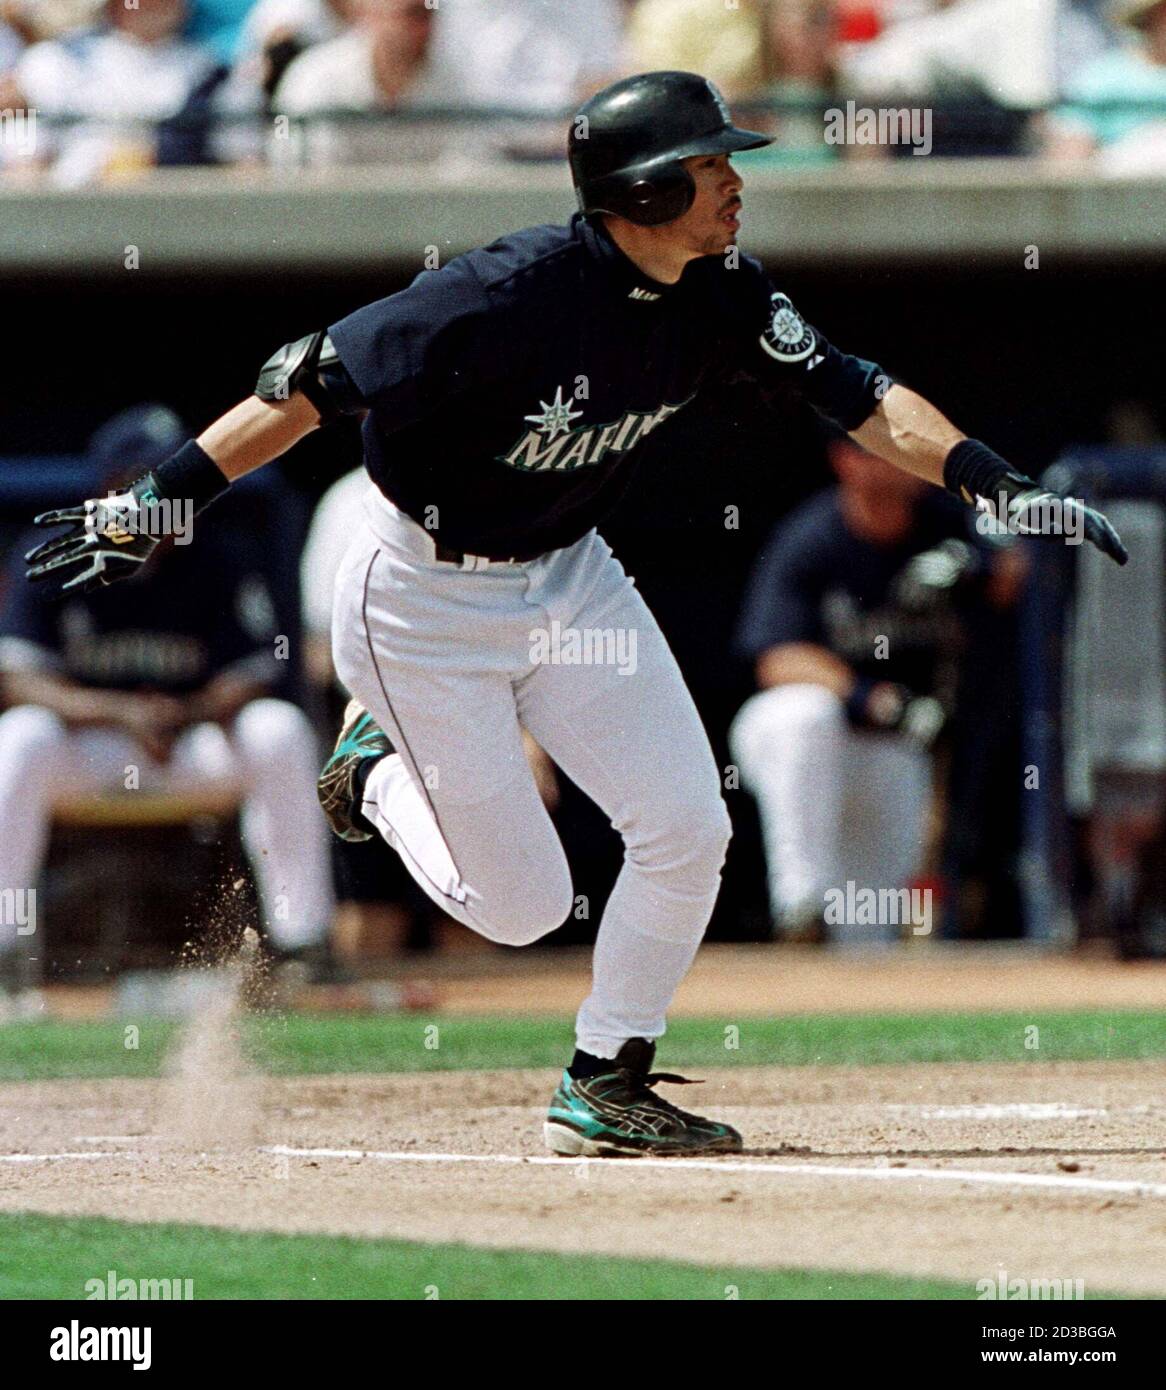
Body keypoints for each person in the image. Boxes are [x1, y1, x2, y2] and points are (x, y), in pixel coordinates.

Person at [25, 70, 1127, 1156]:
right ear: (644, 192)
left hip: (567, 575)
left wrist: (996, 481)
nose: (732, 180)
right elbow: (303, 380)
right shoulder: (503, 291)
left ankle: (604, 1077)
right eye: (706, 166)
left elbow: (859, 394)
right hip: (417, 590)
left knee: (689, 829)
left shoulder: (724, 289)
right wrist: (161, 496)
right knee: (519, 907)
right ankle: (370, 771)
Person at [2, 406, 338, 995]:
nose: (154, 498)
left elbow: (257, 671)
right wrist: (122, 713)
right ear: (105, 489)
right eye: (136, 481)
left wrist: (185, 712)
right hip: (93, 749)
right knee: (21, 738)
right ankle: (6, 948)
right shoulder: (53, 551)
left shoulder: (219, 556)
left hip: (190, 744)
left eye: (164, 480)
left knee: (278, 730)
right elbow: (18, 679)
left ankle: (300, 941)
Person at [730, 438, 982, 943]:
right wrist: (872, 698)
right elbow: (775, 658)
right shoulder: (811, 538)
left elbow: (1021, 572)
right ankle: (799, 906)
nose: (910, 461)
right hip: (803, 743)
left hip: (894, 752)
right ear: (848, 460)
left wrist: (979, 566)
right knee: (804, 713)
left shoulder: (946, 523)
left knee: (867, 938)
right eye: (887, 450)